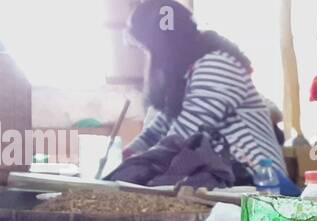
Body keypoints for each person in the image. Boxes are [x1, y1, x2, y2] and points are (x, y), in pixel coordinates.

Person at [123, 0, 287, 183]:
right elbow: (157, 130)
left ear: (163, 45)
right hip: (225, 177)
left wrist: (132, 168)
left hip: (260, 180)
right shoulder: (185, 76)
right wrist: (125, 156)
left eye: (149, 49)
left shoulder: (216, 66)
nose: (151, 58)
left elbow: (182, 135)